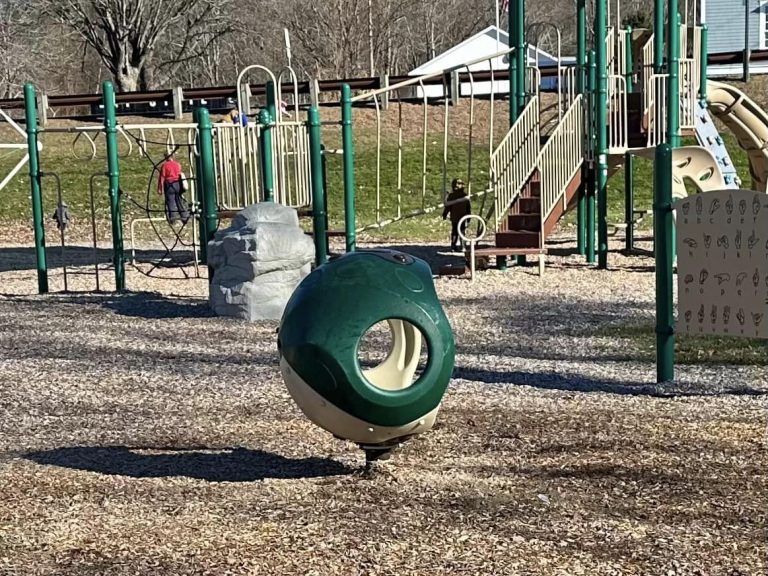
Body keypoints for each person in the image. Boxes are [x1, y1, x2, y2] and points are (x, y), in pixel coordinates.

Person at [157, 151, 190, 224]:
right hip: (177, 184)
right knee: (179, 200)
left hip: (169, 184)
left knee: (170, 201)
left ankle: (173, 218)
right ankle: (184, 216)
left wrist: (160, 188)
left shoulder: (165, 165)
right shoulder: (177, 164)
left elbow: (162, 177)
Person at [442, 178, 472, 252]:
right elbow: (448, 207)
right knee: (457, 231)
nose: (457, 186)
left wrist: (468, 217)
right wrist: (445, 214)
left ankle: (459, 246)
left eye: (459, 184)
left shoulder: (464, 196)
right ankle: (456, 246)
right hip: (457, 216)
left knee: (459, 231)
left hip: (461, 216)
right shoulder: (454, 196)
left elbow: (468, 207)